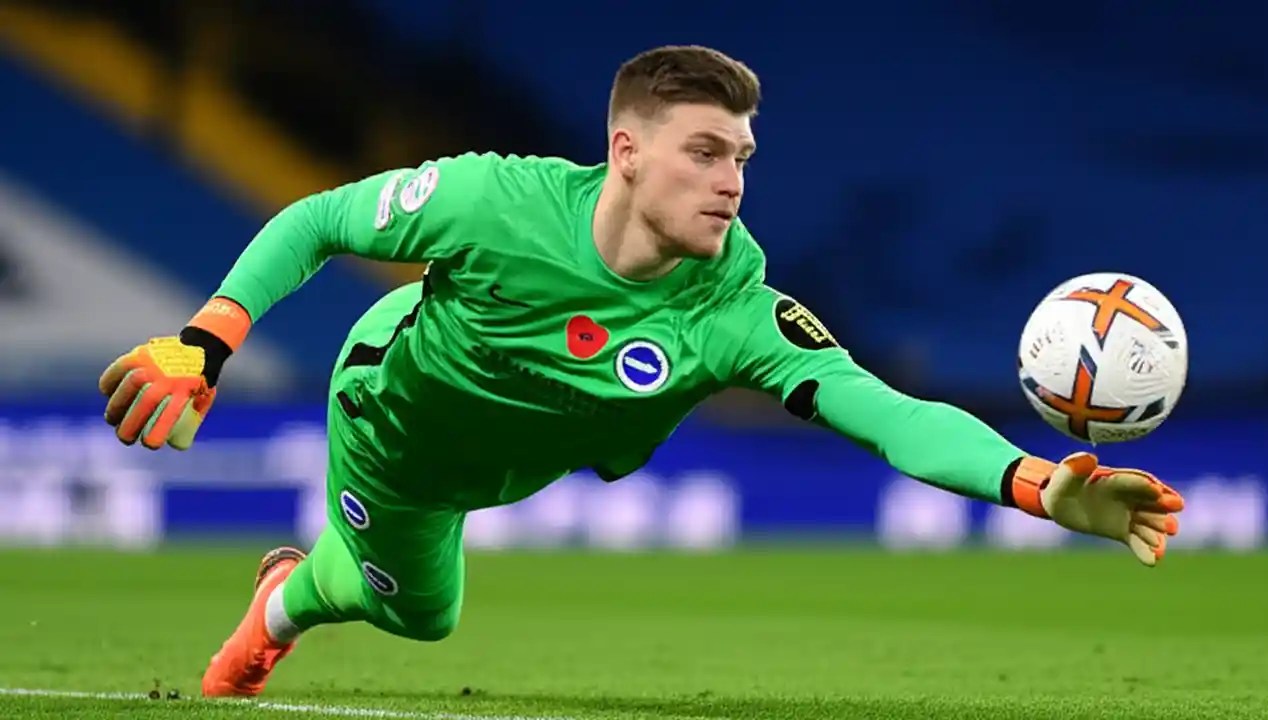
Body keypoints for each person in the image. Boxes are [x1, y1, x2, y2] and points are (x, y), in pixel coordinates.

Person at [97, 45, 1185, 698]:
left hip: (506, 466)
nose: (730, 183)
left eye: (742, 160)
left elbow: (880, 411)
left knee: (428, 613)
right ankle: (275, 611)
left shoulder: (732, 305)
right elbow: (322, 218)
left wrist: (1044, 487)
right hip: (397, 429)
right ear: (625, 152)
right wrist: (208, 340)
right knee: (420, 619)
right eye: (703, 153)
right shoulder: (497, 201)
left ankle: (299, 585)